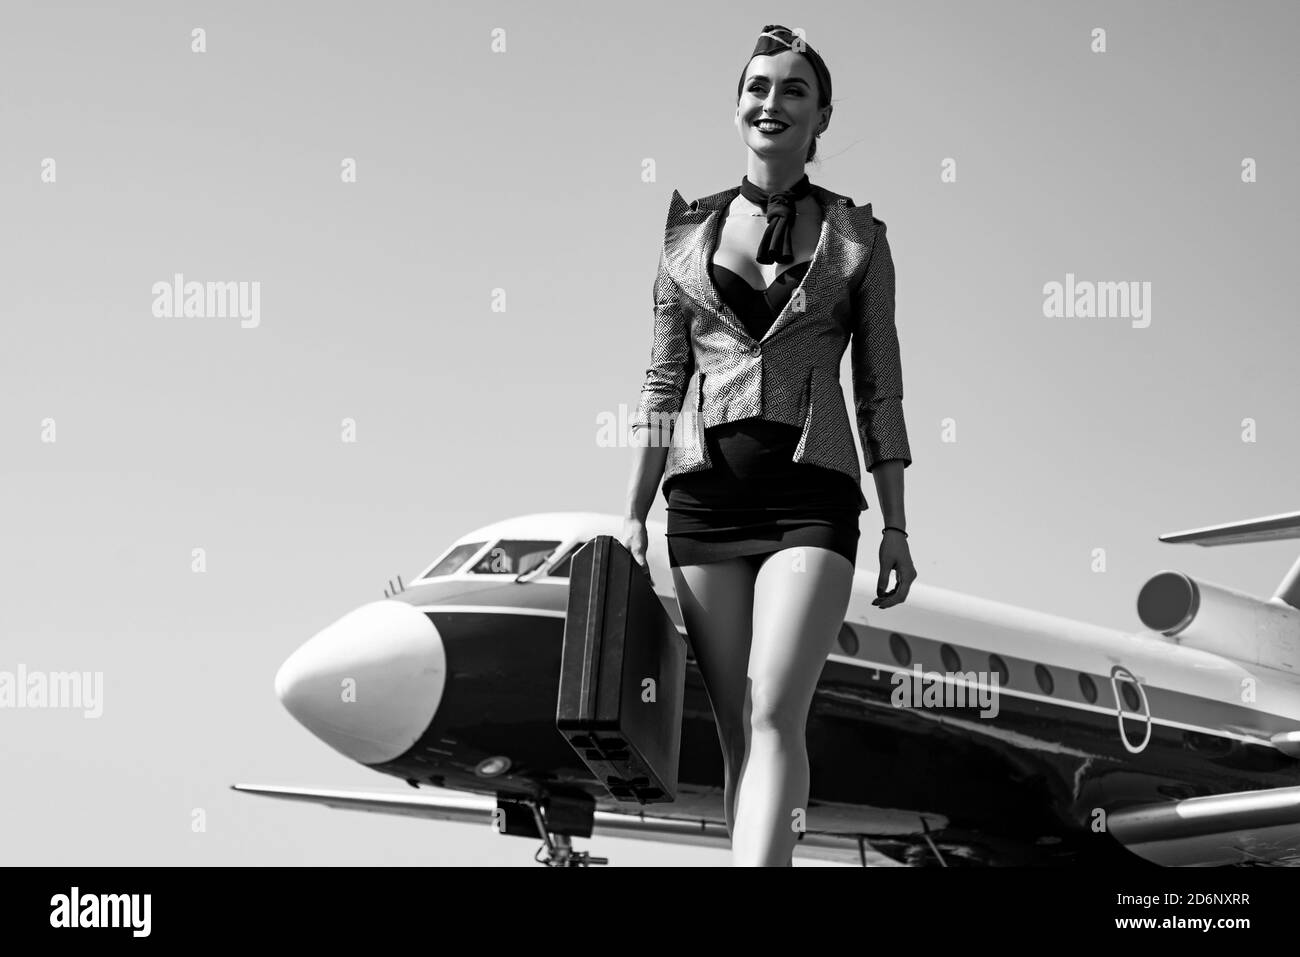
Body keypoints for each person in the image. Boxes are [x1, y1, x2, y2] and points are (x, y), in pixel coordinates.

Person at [623, 24, 916, 866]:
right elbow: (660, 380)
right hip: (703, 503)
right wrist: (632, 515)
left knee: (773, 711)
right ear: (738, 108)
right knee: (734, 735)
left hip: (812, 500)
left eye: (793, 89)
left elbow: (880, 388)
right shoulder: (684, 236)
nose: (771, 102)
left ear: (821, 116)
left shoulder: (860, 239)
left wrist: (895, 525)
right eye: (757, 87)